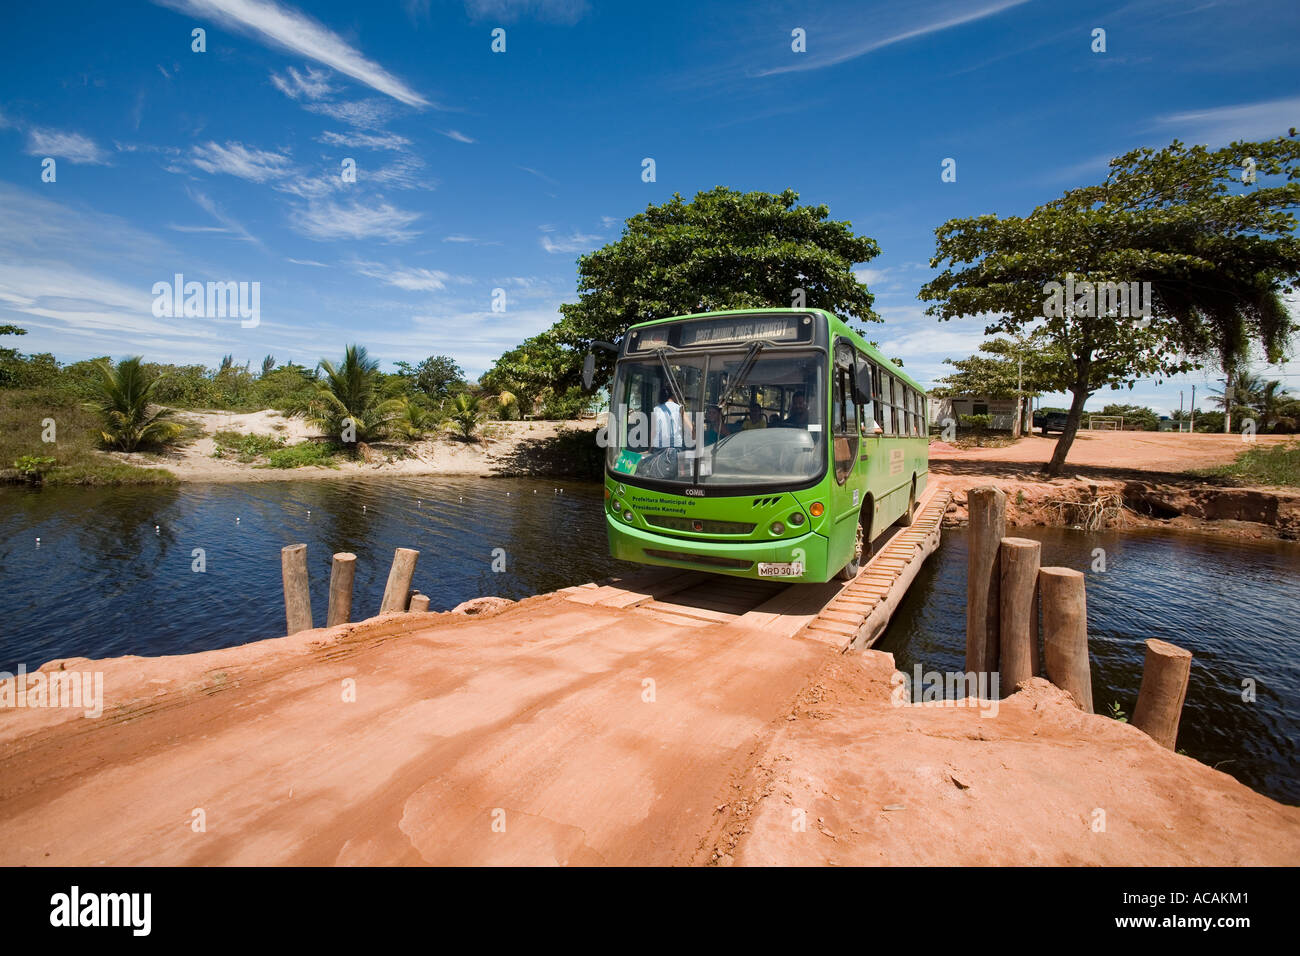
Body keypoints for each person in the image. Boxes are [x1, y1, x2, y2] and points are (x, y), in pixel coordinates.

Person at [651, 384, 685, 448]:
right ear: (673, 395)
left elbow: (654, 432)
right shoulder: (680, 408)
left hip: (660, 447)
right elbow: (686, 429)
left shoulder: (656, 409)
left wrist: (650, 450)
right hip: (677, 447)